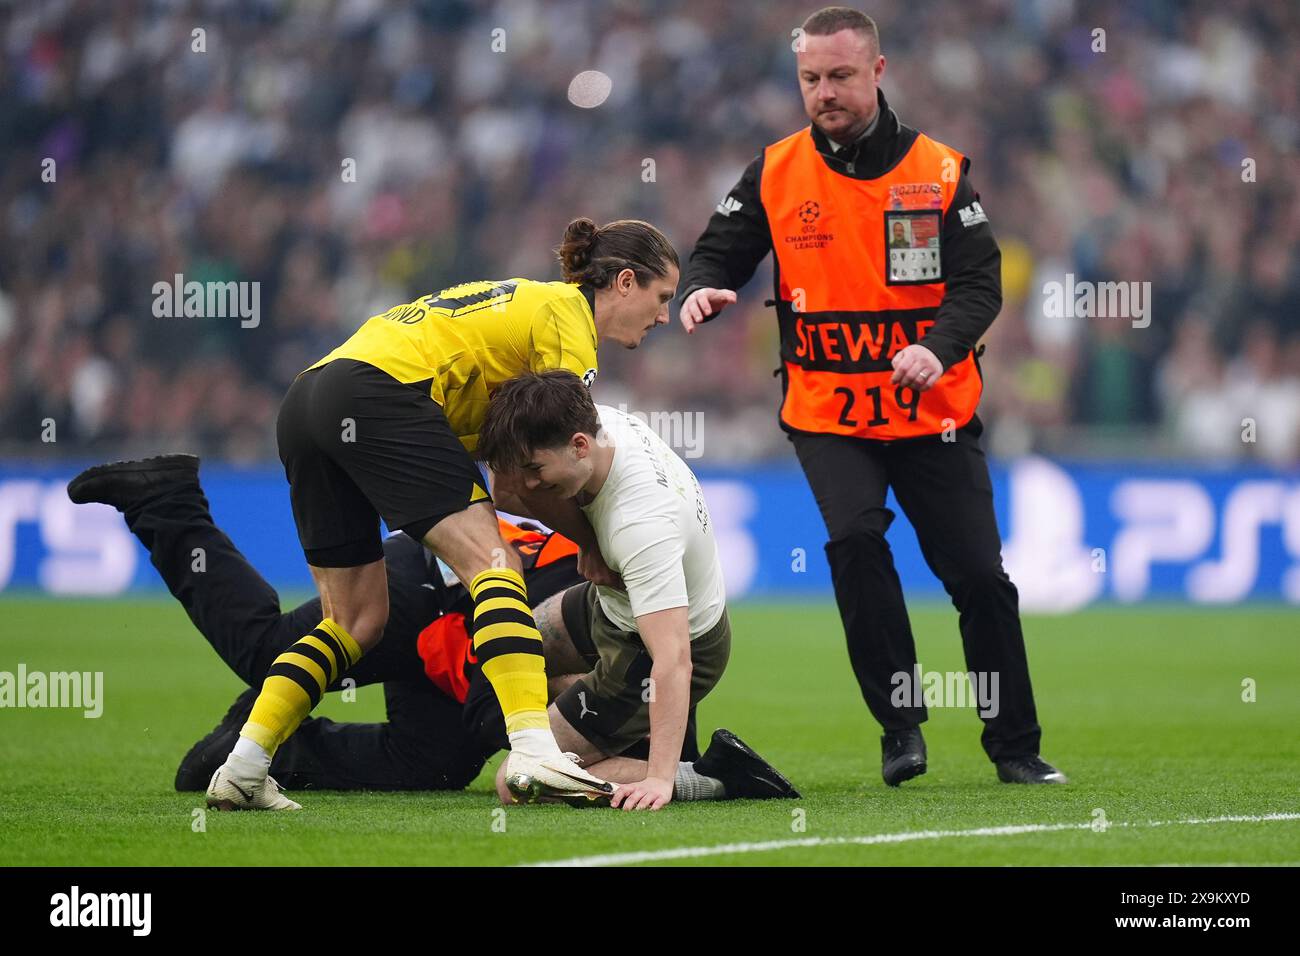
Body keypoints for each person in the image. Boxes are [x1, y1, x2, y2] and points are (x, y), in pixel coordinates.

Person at [128, 216, 678, 810]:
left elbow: (513, 479)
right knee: (496, 565)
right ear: (624, 282)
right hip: (384, 394)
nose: (666, 316)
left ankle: (245, 764)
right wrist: (593, 540)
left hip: (311, 398)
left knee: (354, 621)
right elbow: (559, 459)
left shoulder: (524, 304)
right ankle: (536, 750)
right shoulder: (569, 318)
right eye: (662, 297)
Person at [677, 7, 1066, 786]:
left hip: (934, 414)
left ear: (878, 72)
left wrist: (936, 346)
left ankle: (1015, 746)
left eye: (841, 76)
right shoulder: (776, 171)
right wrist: (700, 288)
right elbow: (718, 251)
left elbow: (980, 283)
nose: (825, 92)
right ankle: (900, 724)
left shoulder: (940, 171)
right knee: (855, 542)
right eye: (811, 79)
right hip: (829, 414)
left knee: (980, 581)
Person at [67, 454, 788, 803]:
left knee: (430, 766)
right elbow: (545, 716)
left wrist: (688, 771)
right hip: (427, 585)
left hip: (465, 642)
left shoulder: (627, 642)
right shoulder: (570, 620)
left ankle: (284, 747)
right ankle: (167, 503)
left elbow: (633, 718)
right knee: (268, 655)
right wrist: (698, 778)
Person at [479, 371, 799, 810]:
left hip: (651, 652)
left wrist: (660, 780)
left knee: (518, 780)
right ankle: (617, 729)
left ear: (579, 446)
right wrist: (587, 540)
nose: (527, 483)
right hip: (610, 607)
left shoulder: (641, 526)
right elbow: (509, 491)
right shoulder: (601, 422)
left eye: (536, 469)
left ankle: (713, 776)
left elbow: (673, 658)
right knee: (508, 655)